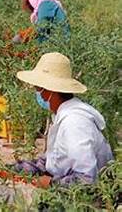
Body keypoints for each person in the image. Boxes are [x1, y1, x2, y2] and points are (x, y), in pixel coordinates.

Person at [14, 52, 113, 186]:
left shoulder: (74, 124)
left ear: (50, 90)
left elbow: (87, 179)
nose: (38, 94)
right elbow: (51, 163)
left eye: (38, 88)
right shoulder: (64, 116)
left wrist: (51, 184)